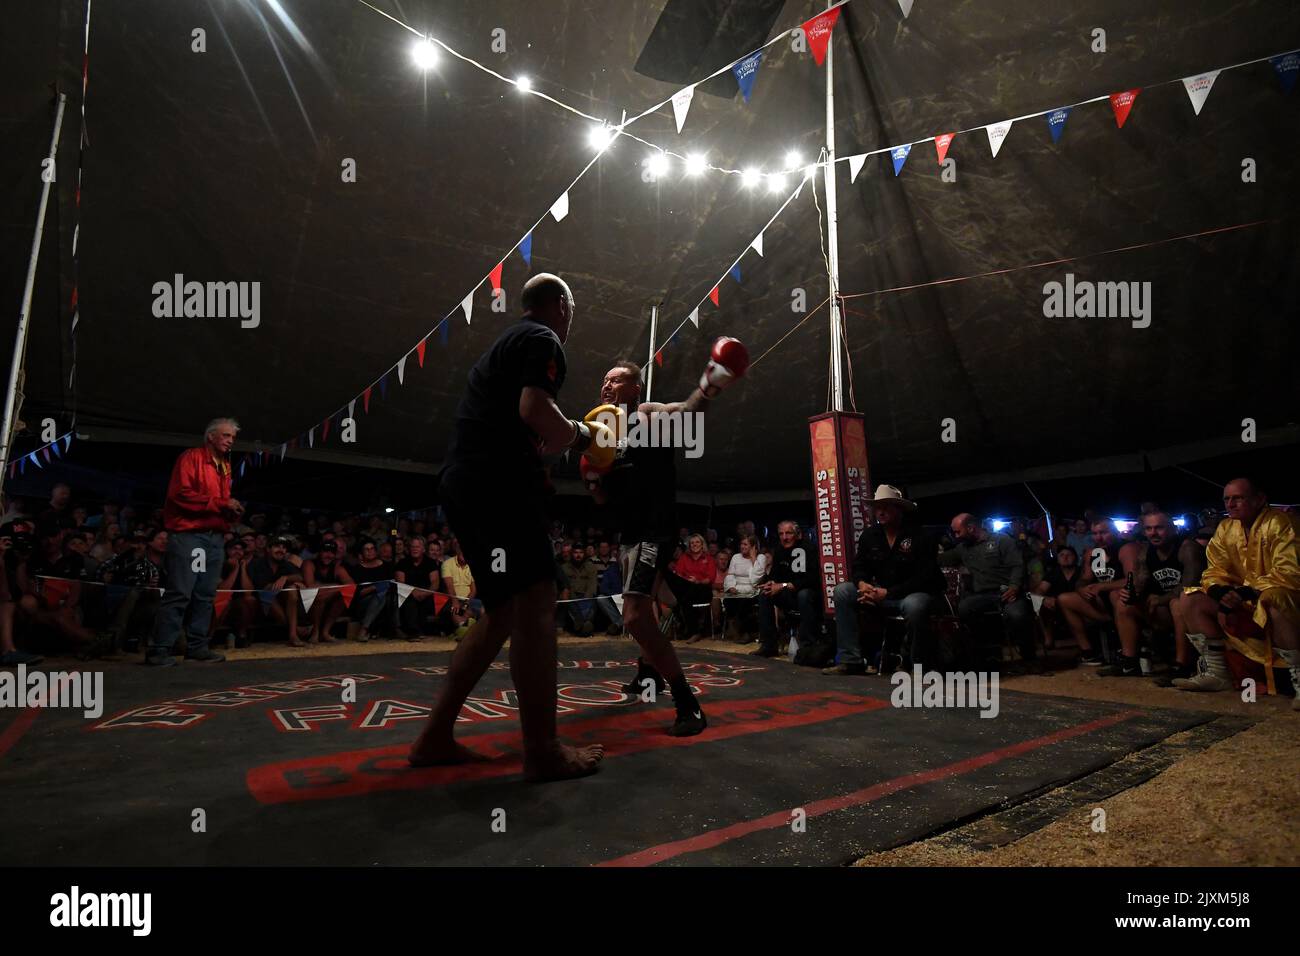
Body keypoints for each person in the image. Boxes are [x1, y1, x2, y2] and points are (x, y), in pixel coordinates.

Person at [409, 273, 607, 780]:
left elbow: (521, 416)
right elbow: (536, 408)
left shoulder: (507, 344)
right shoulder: (542, 339)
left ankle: (434, 736)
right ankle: (542, 751)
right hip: (494, 482)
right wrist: (584, 436)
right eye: (572, 306)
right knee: (538, 600)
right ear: (561, 305)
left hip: (467, 480)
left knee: (501, 613)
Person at [583, 342, 747, 736]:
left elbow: (688, 411)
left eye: (617, 380)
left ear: (635, 388)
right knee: (646, 609)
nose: (607, 385)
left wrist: (713, 381)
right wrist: (593, 481)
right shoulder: (602, 432)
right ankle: (647, 675)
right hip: (630, 532)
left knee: (635, 615)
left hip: (656, 529)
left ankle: (687, 703)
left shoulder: (648, 416)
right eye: (605, 380)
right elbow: (602, 496)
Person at [1174, 479, 1300, 708]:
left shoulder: (1282, 523)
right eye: (1227, 499)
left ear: (1259, 499)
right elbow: (1215, 570)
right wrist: (1220, 591)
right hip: (1243, 601)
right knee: (1190, 597)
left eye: (1238, 498)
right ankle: (1217, 673)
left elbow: (1289, 572)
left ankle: (1299, 678)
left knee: (1274, 597)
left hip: (1280, 597)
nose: (1231, 504)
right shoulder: (1225, 527)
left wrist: (1247, 592)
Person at [147, 418, 242, 666]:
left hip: (213, 537)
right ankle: (160, 649)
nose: (230, 441)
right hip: (190, 536)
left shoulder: (224, 466)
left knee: (205, 594)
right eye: (226, 436)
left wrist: (231, 511)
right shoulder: (191, 457)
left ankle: (197, 647)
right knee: (180, 592)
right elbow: (181, 495)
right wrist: (223, 504)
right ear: (210, 437)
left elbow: (216, 502)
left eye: (232, 437)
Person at [825, 486, 944, 675]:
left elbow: (926, 577)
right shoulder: (870, 536)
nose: (880, 511)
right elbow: (859, 567)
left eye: (887, 507)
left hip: (913, 594)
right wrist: (863, 584)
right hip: (882, 594)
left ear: (899, 509)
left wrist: (887, 593)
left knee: (915, 604)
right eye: (877, 507)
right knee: (843, 591)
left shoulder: (921, 536)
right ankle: (851, 660)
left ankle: (919, 665)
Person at [1100, 511, 1206, 679]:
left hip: (1190, 610)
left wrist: (1160, 599)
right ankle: (1129, 662)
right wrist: (1132, 593)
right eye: (1149, 528)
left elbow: (1190, 586)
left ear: (1172, 529)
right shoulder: (1146, 552)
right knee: (1122, 602)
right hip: (1160, 609)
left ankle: (1182, 665)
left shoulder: (1187, 548)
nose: (1153, 533)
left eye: (1159, 528)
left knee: (1177, 604)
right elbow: (1140, 581)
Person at [940, 513, 1037, 668]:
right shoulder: (962, 548)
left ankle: (1029, 656)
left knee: (1017, 615)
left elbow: (1017, 565)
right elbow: (942, 559)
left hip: (1008, 591)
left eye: (958, 532)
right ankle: (986, 656)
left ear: (971, 528)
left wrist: (1014, 587)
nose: (956, 536)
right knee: (965, 608)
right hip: (983, 595)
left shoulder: (1001, 540)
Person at [1055, 519, 1136, 664]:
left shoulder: (1125, 548)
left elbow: (1132, 580)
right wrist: (1081, 589)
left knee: (1115, 594)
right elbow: (1084, 579)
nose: (1099, 537)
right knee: (1064, 599)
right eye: (1095, 533)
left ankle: (1127, 655)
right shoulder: (1096, 553)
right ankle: (1088, 651)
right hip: (1101, 602)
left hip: (1125, 600)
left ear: (1114, 532)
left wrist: (1102, 587)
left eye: (1103, 532)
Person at [755, 521, 821, 659]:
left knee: (804, 595)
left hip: (807, 593)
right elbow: (774, 574)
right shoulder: (779, 549)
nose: (784, 537)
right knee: (764, 594)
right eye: (781, 534)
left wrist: (784, 585)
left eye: (788, 533)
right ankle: (769, 645)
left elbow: (812, 578)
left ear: (797, 534)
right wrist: (771, 583)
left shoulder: (809, 548)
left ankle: (808, 646)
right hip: (787, 593)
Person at [248, 536, 309, 646]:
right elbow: (262, 588)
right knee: (268, 595)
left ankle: (292, 636)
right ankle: (295, 630)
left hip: (280, 602)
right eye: (277, 546)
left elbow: (300, 576)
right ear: (268, 549)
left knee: (292, 590)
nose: (281, 550)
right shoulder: (257, 563)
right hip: (261, 603)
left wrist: (286, 578)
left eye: (284, 547)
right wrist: (277, 584)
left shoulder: (285, 564)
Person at [670, 533, 717, 643]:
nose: (694, 544)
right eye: (692, 543)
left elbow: (710, 578)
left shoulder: (709, 559)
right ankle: (693, 631)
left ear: (702, 545)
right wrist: (686, 580)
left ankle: (689, 630)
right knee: (684, 596)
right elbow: (677, 573)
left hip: (703, 589)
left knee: (684, 599)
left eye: (697, 542)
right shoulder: (684, 558)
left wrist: (698, 581)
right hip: (686, 588)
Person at [304, 540, 354, 643]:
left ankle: (325, 632)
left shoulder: (337, 568)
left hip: (329, 606)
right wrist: (337, 587)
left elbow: (351, 586)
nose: (328, 555)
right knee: (320, 598)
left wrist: (330, 589)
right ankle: (315, 632)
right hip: (307, 605)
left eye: (331, 552)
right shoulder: (309, 563)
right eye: (325, 552)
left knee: (344, 595)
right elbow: (310, 587)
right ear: (319, 553)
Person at [722, 534, 767, 642]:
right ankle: (738, 630)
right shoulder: (735, 557)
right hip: (736, 589)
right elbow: (730, 574)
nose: (742, 547)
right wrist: (731, 586)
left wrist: (753, 558)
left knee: (744, 603)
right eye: (741, 544)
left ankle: (744, 632)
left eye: (745, 544)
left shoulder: (761, 558)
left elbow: (756, 579)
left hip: (752, 590)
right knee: (728, 601)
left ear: (753, 546)